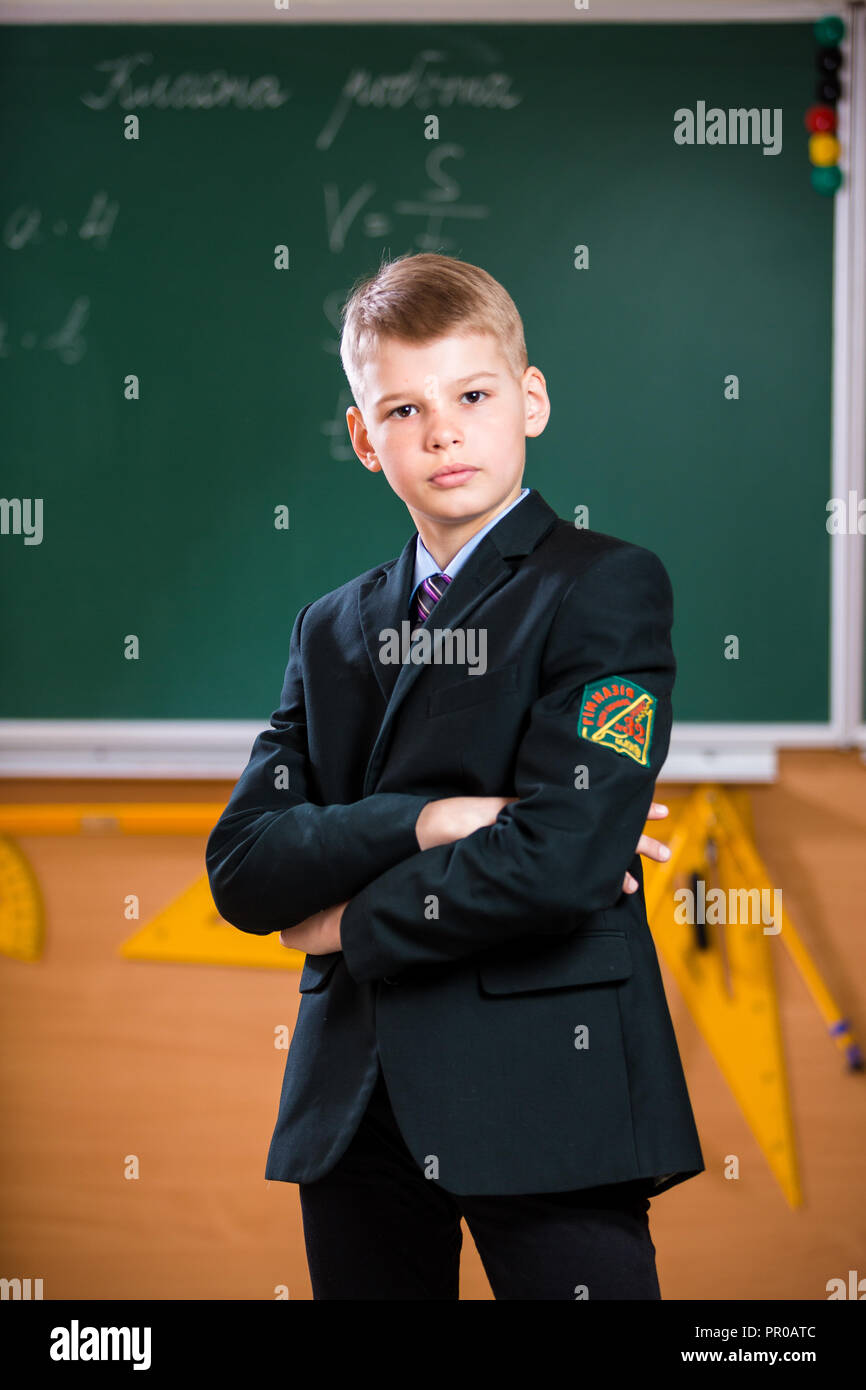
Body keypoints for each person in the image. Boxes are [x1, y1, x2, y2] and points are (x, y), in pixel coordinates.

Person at [206, 252, 704, 1300]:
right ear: (361, 437)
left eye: (471, 396)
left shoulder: (604, 585)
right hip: (355, 1106)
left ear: (528, 401)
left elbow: (565, 859)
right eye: (401, 408)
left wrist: (341, 923)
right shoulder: (332, 626)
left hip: (545, 1086)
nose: (440, 432)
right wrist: (430, 818)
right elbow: (245, 867)